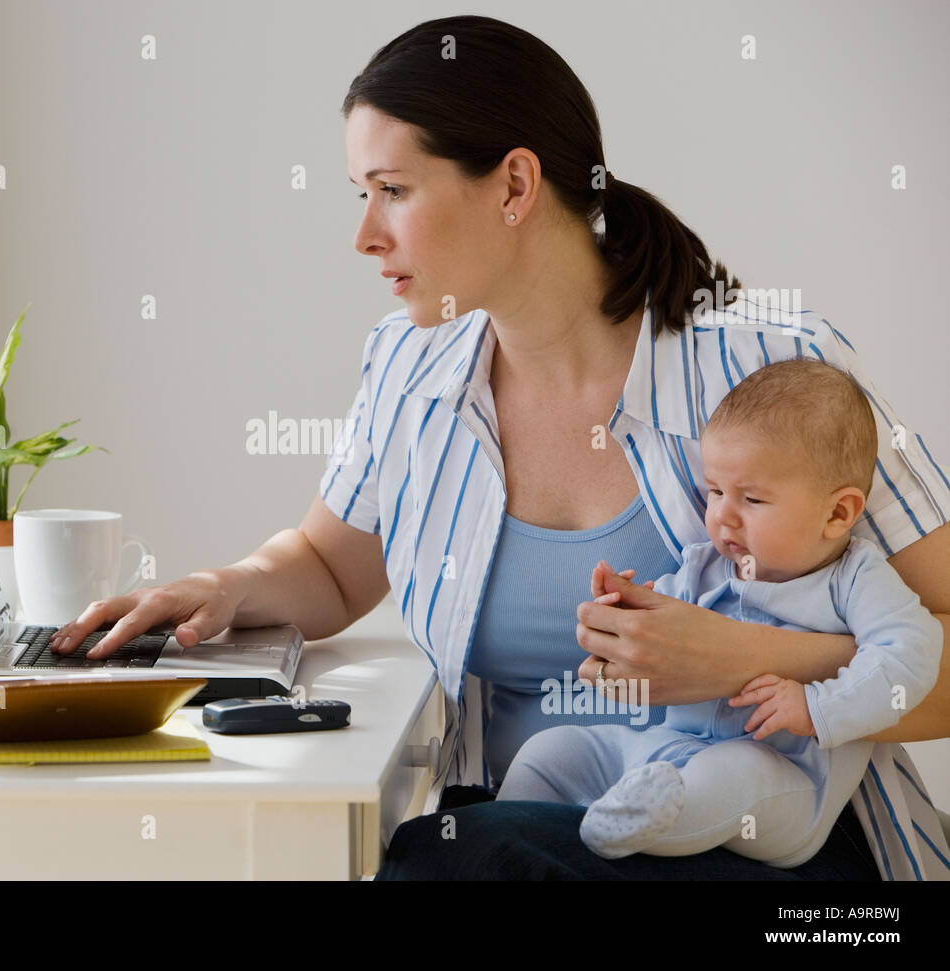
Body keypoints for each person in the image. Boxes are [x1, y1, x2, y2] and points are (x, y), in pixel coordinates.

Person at [47, 15, 950, 879]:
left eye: (393, 191)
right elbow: (329, 564)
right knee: (461, 849)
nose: (364, 234)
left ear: (516, 185)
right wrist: (223, 586)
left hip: (774, 846)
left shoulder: (769, 369)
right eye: (363, 195)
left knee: (453, 860)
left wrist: (740, 659)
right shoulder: (410, 365)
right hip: (534, 826)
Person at [495, 358, 944, 869]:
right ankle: (514, 830)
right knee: (553, 751)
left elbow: (911, 653)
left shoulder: (855, 581)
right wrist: (625, 609)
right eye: (714, 491)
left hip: (784, 780)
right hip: (666, 746)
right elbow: (665, 623)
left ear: (837, 513)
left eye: (751, 498)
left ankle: (627, 830)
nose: (723, 516)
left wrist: (818, 706)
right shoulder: (705, 565)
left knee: (733, 779)